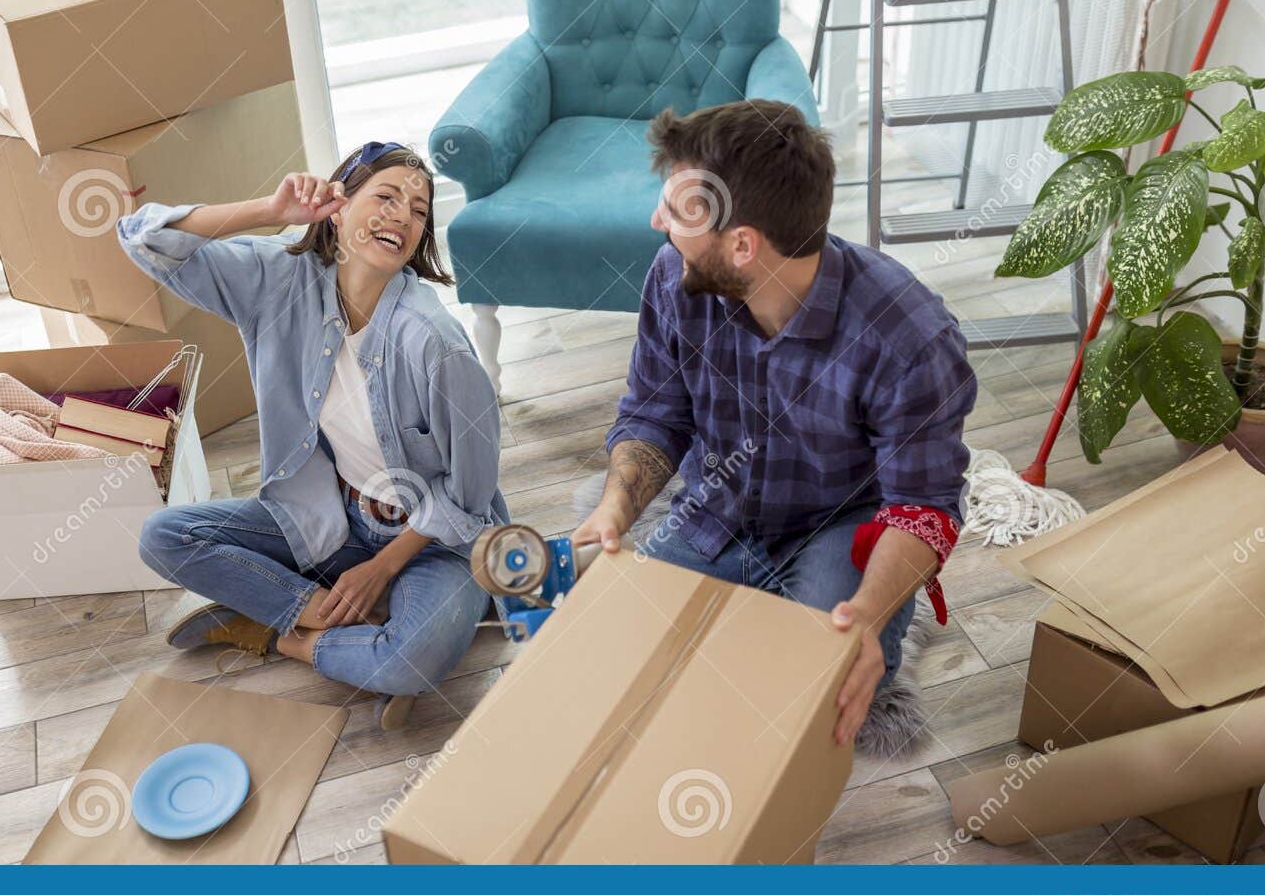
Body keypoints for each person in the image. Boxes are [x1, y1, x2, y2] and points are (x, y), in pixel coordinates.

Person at [572, 100, 977, 748]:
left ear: (741, 245)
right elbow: (655, 409)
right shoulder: (674, 277)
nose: (657, 222)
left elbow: (923, 507)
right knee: (624, 656)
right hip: (719, 509)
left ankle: (879, 618)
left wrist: (868, 615)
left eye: (676, 212)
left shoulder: (909, 337)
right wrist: (617, 507)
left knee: (815, 694)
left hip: (841, 526)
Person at [123, 141, 504, 729]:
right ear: (338, 205)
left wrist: (381, 568)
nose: (403, 215)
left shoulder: (434, 342)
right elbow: (147, 239)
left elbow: (472, 495)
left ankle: (287, 637)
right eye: (386, 196)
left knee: (409, 660)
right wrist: (269, 210)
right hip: (334, 519)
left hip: (434, 542)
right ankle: (322, 611)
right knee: (162, 536)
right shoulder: (283, 283)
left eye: (419, 210)